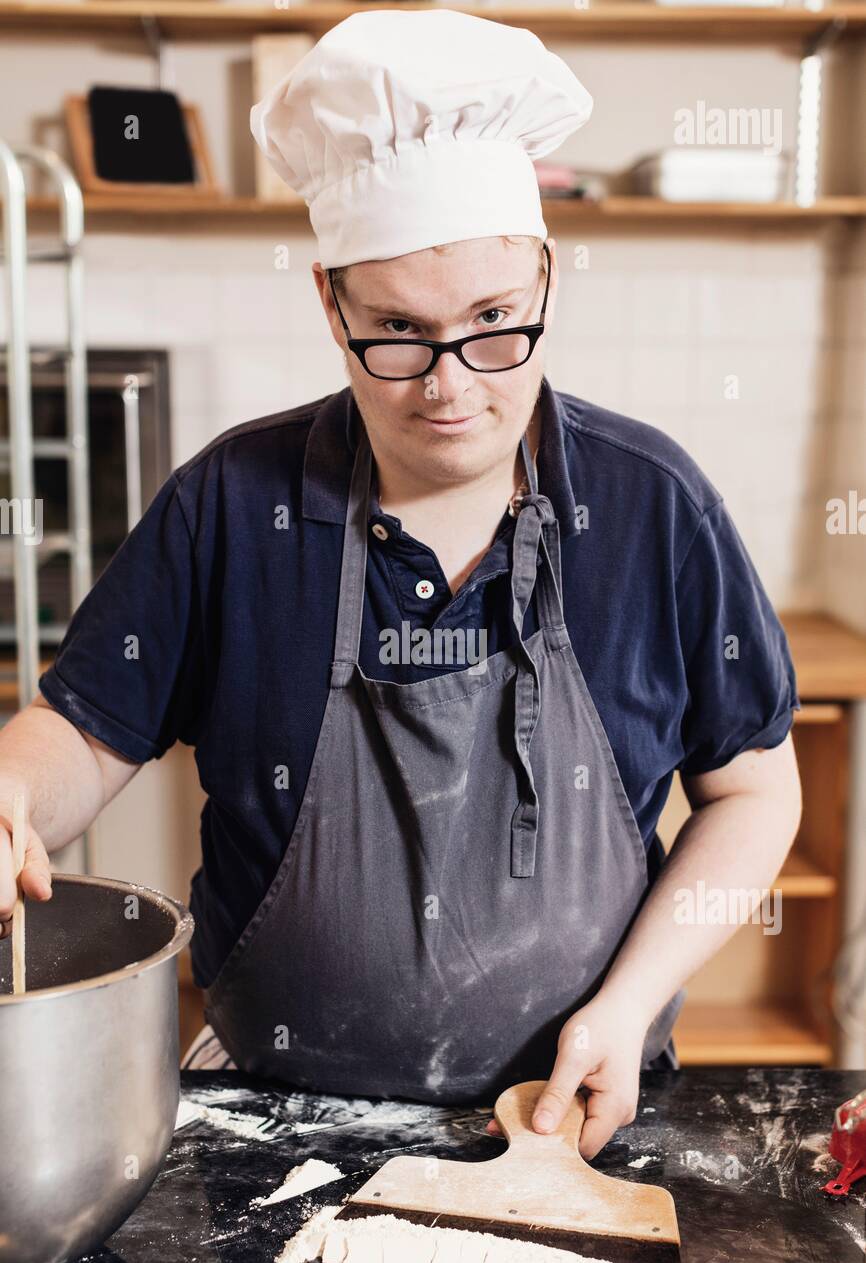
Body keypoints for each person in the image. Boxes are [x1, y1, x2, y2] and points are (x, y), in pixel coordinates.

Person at [0, 10, 801, 1158]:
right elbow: (80, 733)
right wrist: (10, 798)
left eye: (490, 326)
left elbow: (753, 794)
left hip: (572, 1113)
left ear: (544, 279)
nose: (450, 387)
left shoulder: (650, 508)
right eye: (396, 333)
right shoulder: (233, 503)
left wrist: (626, 1010)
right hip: (265, 1120)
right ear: (329, 302)